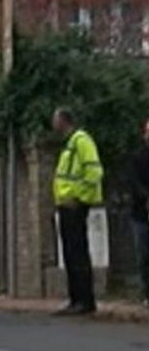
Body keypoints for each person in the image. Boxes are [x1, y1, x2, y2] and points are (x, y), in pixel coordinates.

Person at [51, 107, 104, 315]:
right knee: (70, 254)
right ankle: (75, 299)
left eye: (55, 120)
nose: (53, 124)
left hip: (75, 205)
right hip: (66, 206)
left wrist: (78, 196)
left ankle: (85, 300)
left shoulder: (81, 141)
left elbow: (94, 171)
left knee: (78, 252)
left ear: (64, 121)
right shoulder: (69, 144)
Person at [128, 119, 149, 307]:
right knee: (143, 254)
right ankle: (146, 293)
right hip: (141, 214)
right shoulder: (137, 157)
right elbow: (134, 183)